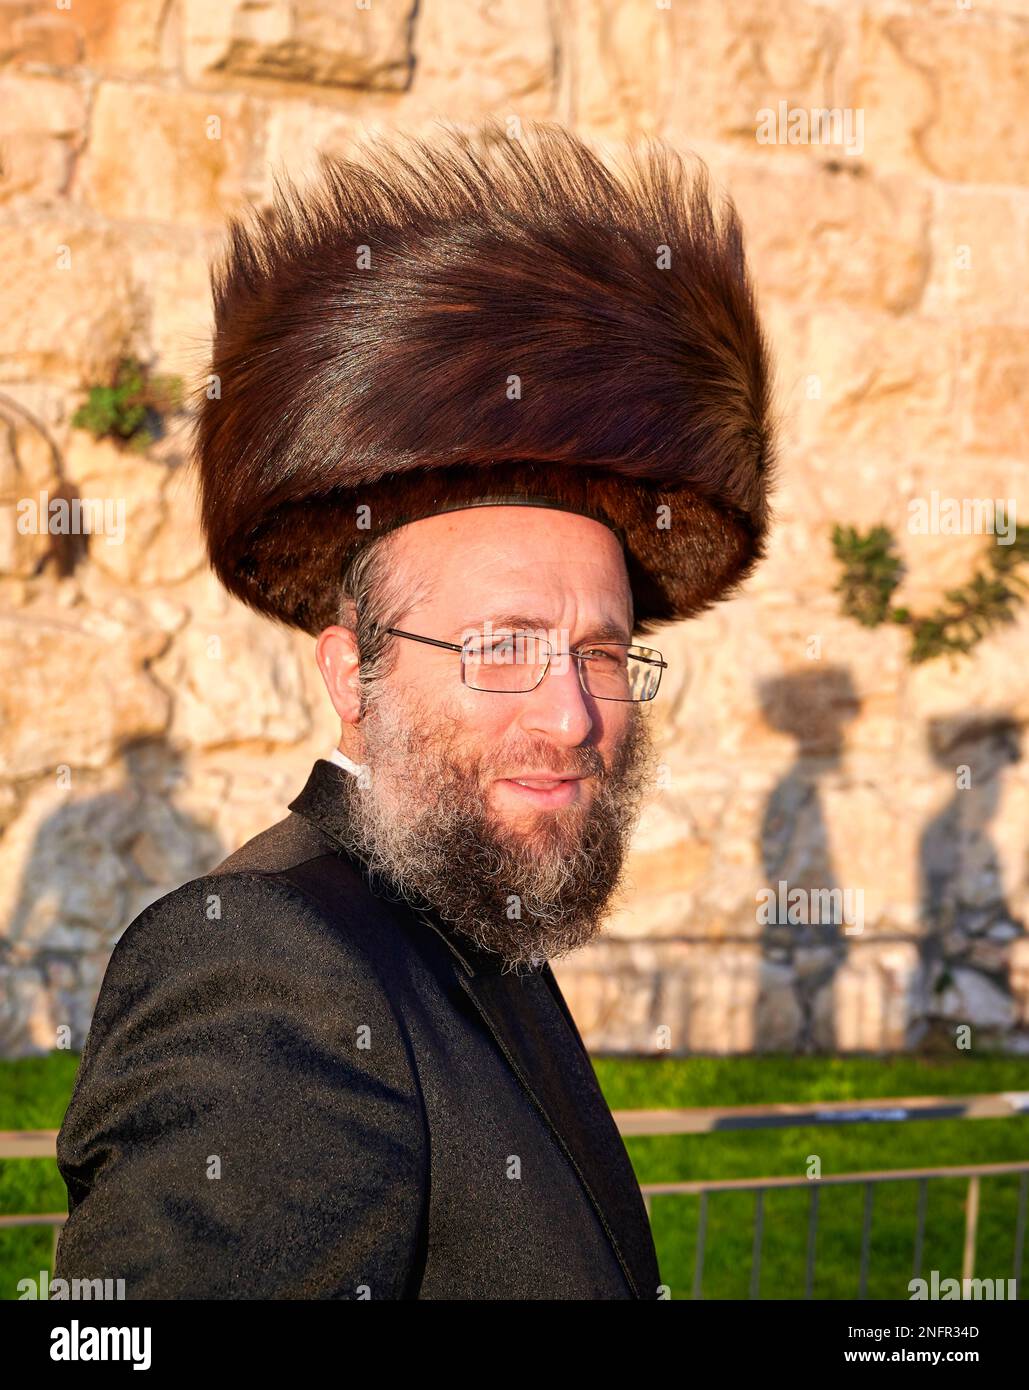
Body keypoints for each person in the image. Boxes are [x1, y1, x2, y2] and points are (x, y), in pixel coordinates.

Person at [54, 117, 776, 1299]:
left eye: (602, 651)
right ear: (353, 677)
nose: (574, 714)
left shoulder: (466, 920)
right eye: (501, 646)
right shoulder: (268, 969)